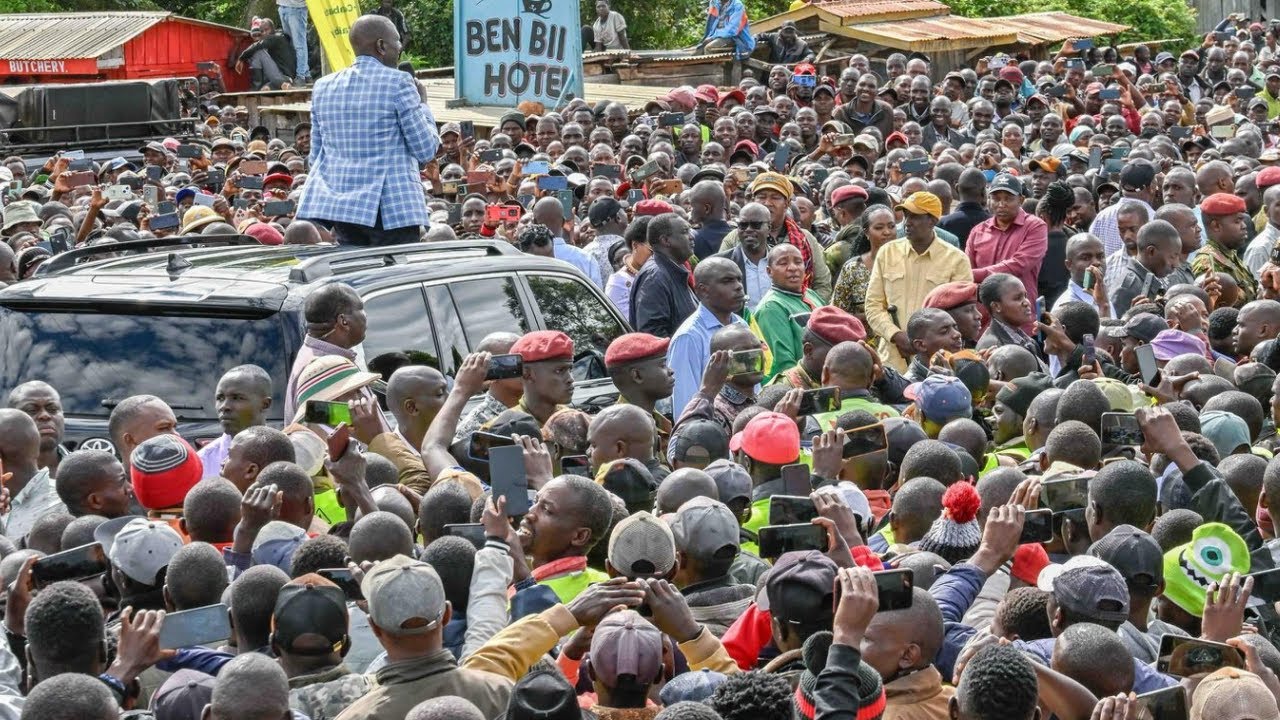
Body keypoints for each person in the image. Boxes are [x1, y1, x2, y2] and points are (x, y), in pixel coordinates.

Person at [297, 14, 439, 245]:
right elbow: (425, 150)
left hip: (343, 209)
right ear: (381, 46)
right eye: (398, 44)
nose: (400, 50)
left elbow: (315, 158)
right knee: (398, 278)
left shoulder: (323, 87)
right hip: (392, 210)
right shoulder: (399, 82)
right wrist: (424, 105)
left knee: (355, 276)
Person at [865, 192, 973, 372]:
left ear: (932, 221)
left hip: (938, 363)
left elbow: (961, 315)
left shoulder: (956, 260)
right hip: (893, 359)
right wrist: (896, 335)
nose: (907, 222)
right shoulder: (887, 252)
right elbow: (873, 305)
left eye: (915, 217)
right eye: (906, 215)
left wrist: (925, 343)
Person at [966, 174, 1048, 334]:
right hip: (983, 322)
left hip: (1019, 323)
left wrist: (972, 274)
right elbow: (968, 272)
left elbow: (1019, 264)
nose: (1001, 204)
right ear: (988, 200)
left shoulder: (1035, 226)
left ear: (1021, 200)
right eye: (995, 198)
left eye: (1008, 198)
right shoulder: (978, 231)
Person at [669, 258, 747, 414]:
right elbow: (685, 404)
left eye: (739, 279)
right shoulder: (689, 336)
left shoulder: (742, 325)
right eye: (727, 281)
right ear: (703, 290)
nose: (738, 286)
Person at [285, 283, 366, 420]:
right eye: (361, 309)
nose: (365, 315)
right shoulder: (323, 369)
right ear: (343, 321)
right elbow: (329, 428)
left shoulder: (314, 354)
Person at [751, 244, 825, 382]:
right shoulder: (771, 307)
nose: (792, 268)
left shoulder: (810, 295)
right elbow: (784, 364)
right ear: (769, 271)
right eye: (783, 263)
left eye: (798, 262)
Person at [631, 213, 698, 338]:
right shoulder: (655, 277)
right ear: (666, 240)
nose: (691, 237)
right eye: (684, 232)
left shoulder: (675, 268)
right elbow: (652, 335)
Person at [200, 365, 273, 480]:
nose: (224, 406)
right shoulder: (202, 464)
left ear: (265, 404)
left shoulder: (290, 455)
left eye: (237, 398)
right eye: (220, 398)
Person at [7, 380, 65, 478]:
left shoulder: (87, 470)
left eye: (53, 409)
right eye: (31, 410)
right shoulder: (4, 471)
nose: (45, 415)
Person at [236, 18, 297, 90]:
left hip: (283, 76)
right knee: (265, 88)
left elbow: (257, 45)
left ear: (272, 29)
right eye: (262, 31)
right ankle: (283, 85)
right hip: (286, 77)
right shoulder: (280, 37)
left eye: (267, 29)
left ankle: (256, 87)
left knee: (258, 52)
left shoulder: (275, 38)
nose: (264, 33)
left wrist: (241, 58)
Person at [277, 0, 312, 85]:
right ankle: (306, 74)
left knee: (299, 45)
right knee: (291, 43)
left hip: (297, 8)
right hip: (282, 6)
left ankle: (301, 76)